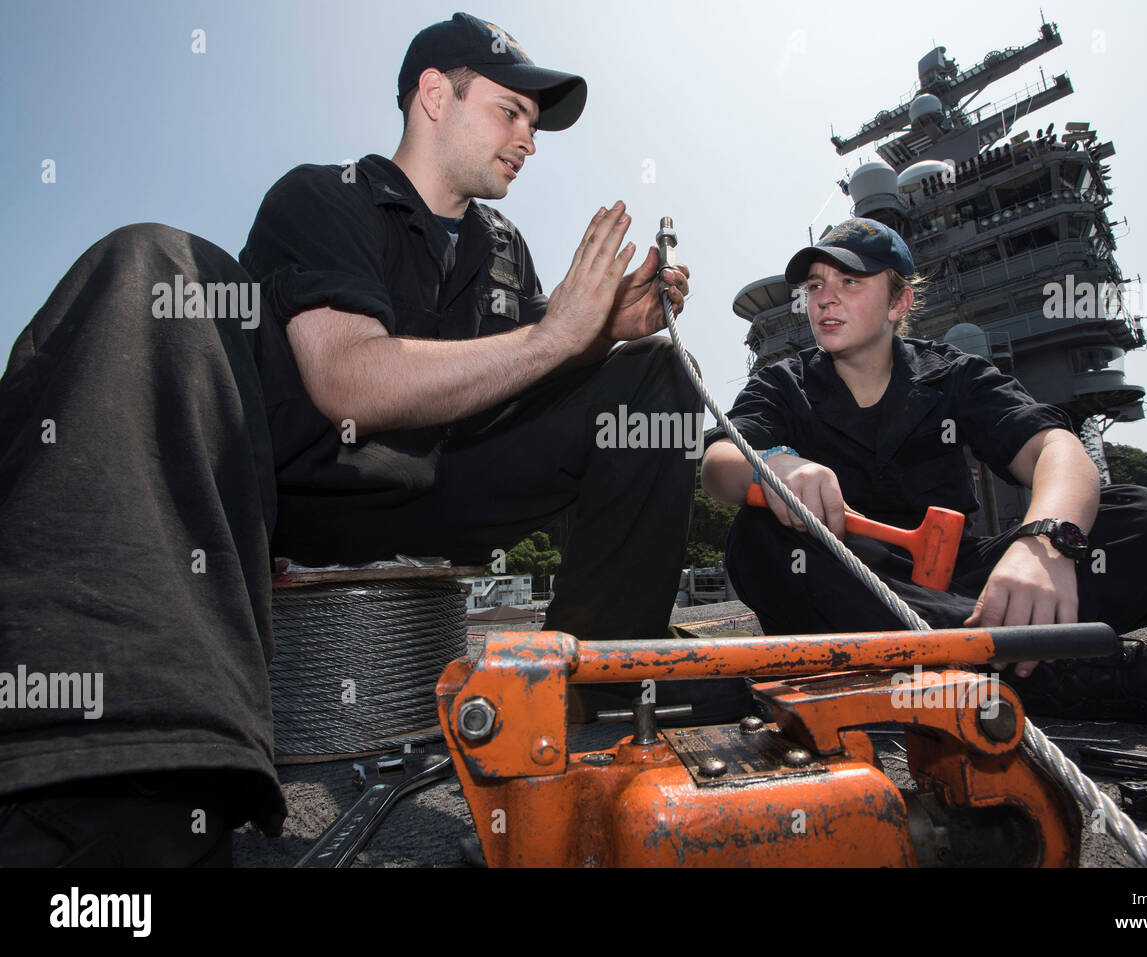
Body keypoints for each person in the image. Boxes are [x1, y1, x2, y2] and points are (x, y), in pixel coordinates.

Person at [0, 13, 726, 867]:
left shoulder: (503, 250)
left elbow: (530, 379)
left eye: (535, 122)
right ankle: (126, 773)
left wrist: (603, 332)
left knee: (657, 381)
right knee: (152, 263)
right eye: (510, 112)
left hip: (447, 483)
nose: (529, 140)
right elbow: (346, 381)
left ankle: (589, 699)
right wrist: (553, 337)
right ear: (432, 96)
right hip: (311, 489)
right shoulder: (326, 197)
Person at [700, 217, 1147, 731]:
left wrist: (1046, 543)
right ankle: (1075, 672)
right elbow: (720, 464)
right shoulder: (784, 383)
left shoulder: (953, 374)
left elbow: (1056, 449)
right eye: (815, 286)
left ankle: (958, 660)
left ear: (900, 301)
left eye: (850, 283)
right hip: (845, 582)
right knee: (762, 540)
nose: (825, 300)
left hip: (965, 586)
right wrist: (777, 464)